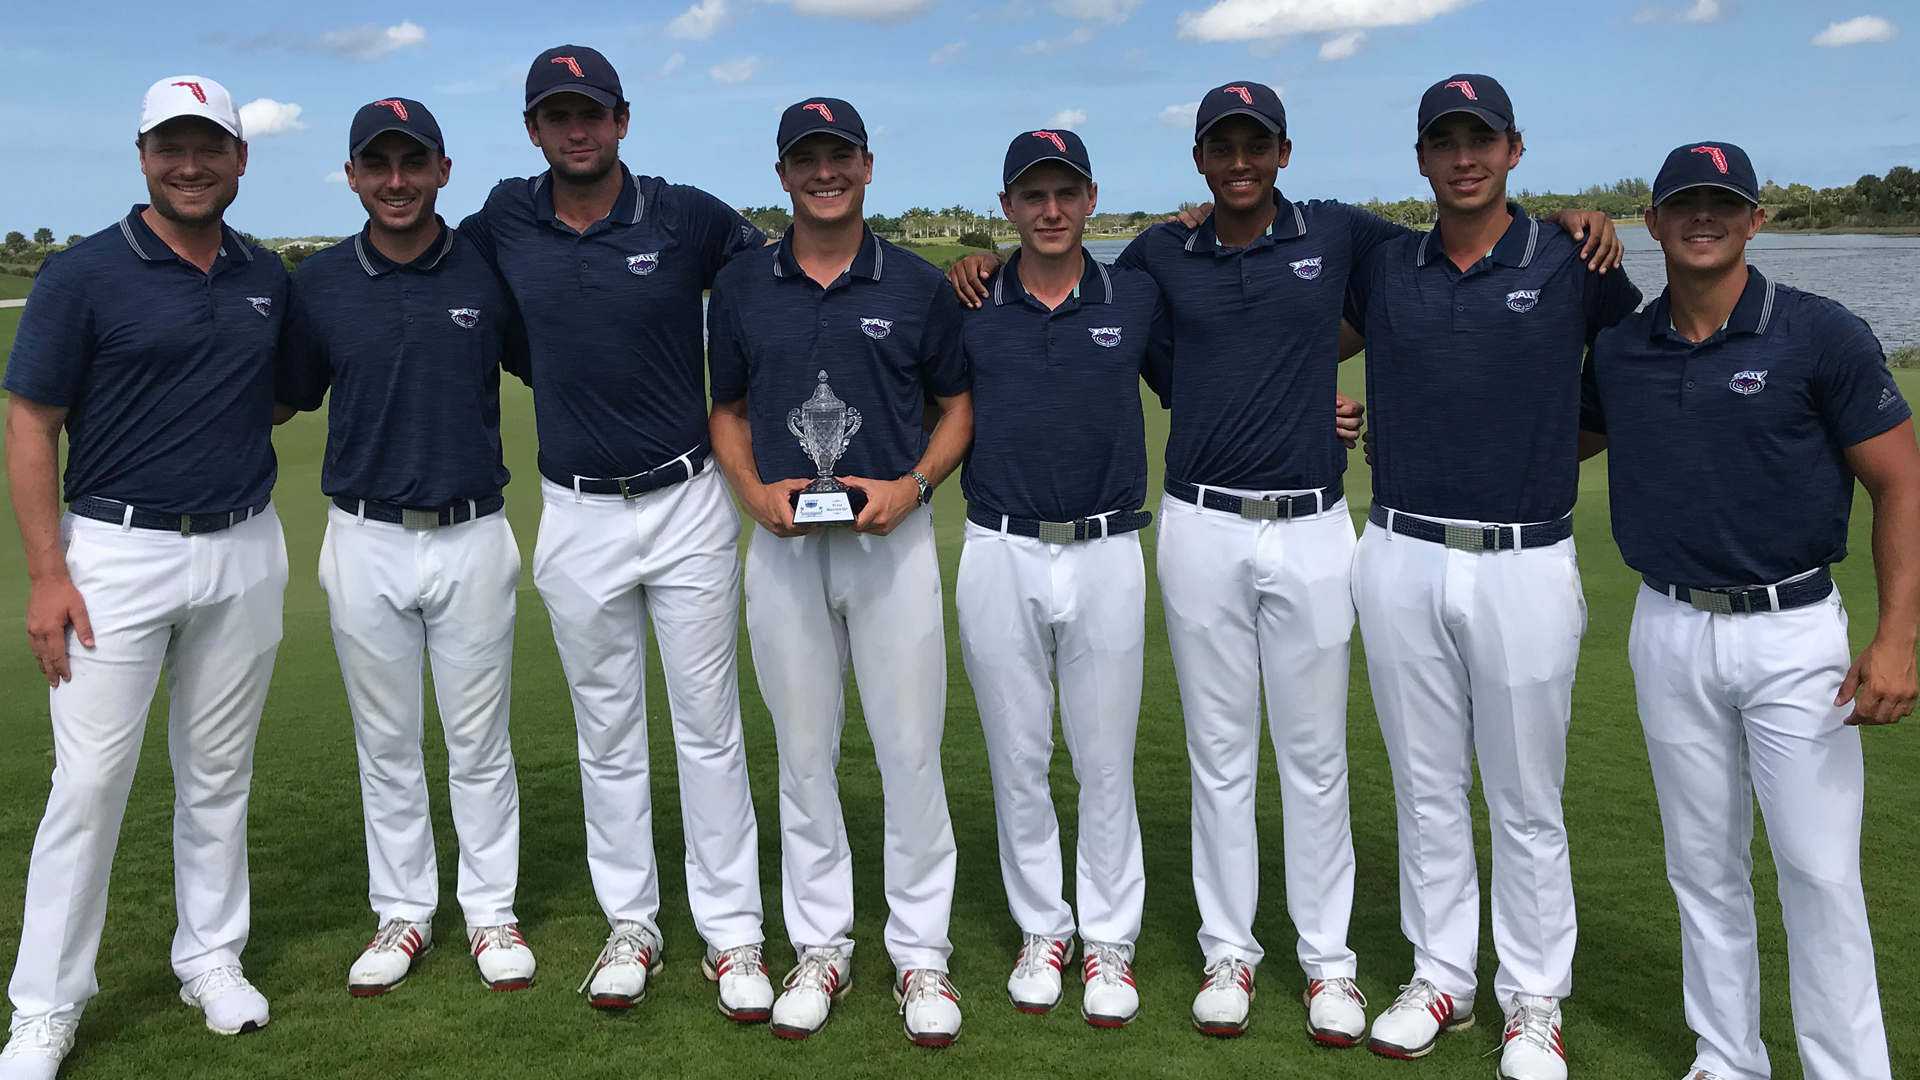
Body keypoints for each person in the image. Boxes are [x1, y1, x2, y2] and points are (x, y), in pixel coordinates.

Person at [948, 80, 1617, 1044]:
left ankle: (1328, 962)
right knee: (1219, 755)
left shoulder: (1341, 234)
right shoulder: (1159, 254)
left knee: (1314, 757)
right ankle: (1229, 951)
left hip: (1311, 527)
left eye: (1255, 145)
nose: (1239, 162)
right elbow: (1101, 315)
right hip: (1199, 524)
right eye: (1221, 147)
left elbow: (1454, 251)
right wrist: (979, 265)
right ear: (1199, 162)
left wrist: (1570, 218)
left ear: (1283, 152)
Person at [1582, 140, 1918, 1080]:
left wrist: (1897, 639)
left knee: (1817, 873)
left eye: (1723, 204)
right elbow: (1544, 437)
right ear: (1649, 222)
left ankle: (1846, 1069)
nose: (1703, 217)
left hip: (1795, 632)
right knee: (1701, 868)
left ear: (1755, 220)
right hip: (1669, 626)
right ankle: (1728, 1058)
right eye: (1683, 203)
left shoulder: (1822, 334)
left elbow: (1903, 485)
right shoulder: (1622, 347)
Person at [456, 45, 774, 1020]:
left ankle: (733, 934)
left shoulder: (682, 213)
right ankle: (632, 921)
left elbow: (783, 269)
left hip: (687, 502)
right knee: (608, 735)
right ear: (533, 131)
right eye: (557, 114)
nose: (576, 128)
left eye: (591, 112)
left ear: (623, 120)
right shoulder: (506, 216)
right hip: (577, 512)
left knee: (709, 728)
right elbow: (439, 282)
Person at [1341, 75, 1641, 1079]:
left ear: (1514, 149)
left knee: (1524, 795)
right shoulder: (1387, 266)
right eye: (1444, 141)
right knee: (1426, 787)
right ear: (1421, 159)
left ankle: (1533, 999)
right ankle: (1441, 978)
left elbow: (1630, 383)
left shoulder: (1572, 257)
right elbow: (1276, 311)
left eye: (1482, 139)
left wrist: (1545, 450)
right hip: (1399, 550)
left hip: (1524, 555)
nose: (1463, 157)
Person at [0, 76, 288, 1080]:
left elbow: (281, 391)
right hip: (115, 553)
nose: (192, 162)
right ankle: (44, 1006)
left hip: (245, 545)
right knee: (86, 784)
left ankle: (211, 959)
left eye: (211, 144)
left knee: (218, 776)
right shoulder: (83, 274)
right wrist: (47, 574)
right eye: (172, 144)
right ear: (142, 155)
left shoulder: (262, 273)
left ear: (241, 158)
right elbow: (30, 422)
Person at [707, 97, 972, 1047]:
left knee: (909, 753)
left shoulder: (916, 283)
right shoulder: (743, 285)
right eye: (805, 159)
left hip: (888, 543)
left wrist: (914, 484)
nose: (824, 172)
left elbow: (956, 404)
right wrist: (749, 493)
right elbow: (727, 411)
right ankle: (820, 943)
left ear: (867, 166)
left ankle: (920, 953)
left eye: (839, 156)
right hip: (782, 546)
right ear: (782, 174)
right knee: (805, 753)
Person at [274, 98, 535, 997]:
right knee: (384, 741)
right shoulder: (318, 285)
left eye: (412, 163)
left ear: (442, 170)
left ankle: (491, 911)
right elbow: (281, 397)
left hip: (472, 531)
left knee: (480, 742)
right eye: (376, 165)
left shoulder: (485, 268)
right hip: (363, 535)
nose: (396, 181)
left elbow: (557, 359)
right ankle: (405, 912)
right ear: (351, 176)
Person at [955, 128, 1170, 1029]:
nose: (1049, 211)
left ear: (1090, 200)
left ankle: (1110, 935)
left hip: (1108, 544)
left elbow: (1212, 380)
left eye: (1065, 193)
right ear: (1007, 205)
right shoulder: (965, 302)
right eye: (1031, 195)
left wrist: (1324, 403)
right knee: (1018, 757)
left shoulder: (1139, 296)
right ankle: (1045, 926)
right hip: (998, 545)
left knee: (1104, 757)